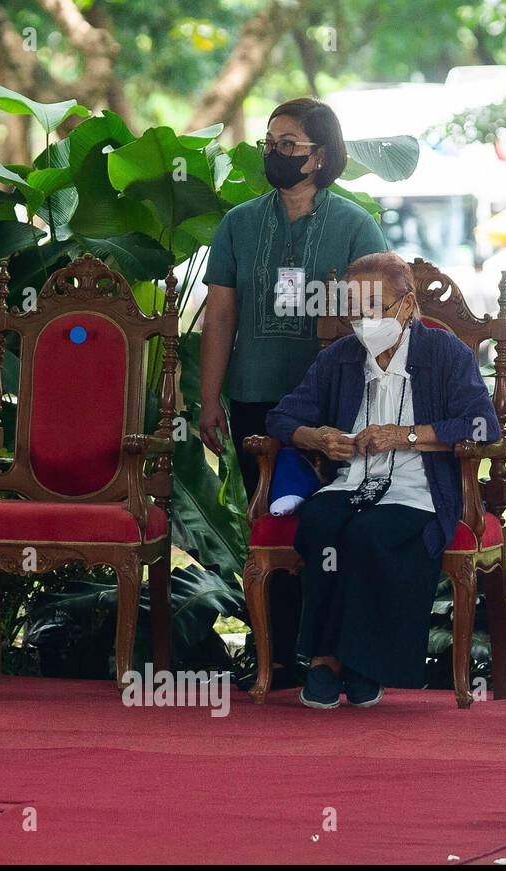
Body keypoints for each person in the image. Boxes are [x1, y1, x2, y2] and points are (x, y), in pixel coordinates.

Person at [200, 97, 387, 680]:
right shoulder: (238, 223)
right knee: (268, 519)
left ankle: (331, 654)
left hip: (337, 406)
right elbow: (221, 316)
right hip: (256, 394)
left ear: (320, 156)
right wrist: (209, 398)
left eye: (288, 145)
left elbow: (381, 321)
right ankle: (274, 656)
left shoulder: (356, 225)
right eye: (270, 143)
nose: (274, 154)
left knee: (330, 521)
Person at [266, 252, 499, 708]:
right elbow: (282, 417)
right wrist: (319, 436)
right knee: (321, 524)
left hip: (418, 488)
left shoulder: (444, 353)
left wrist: (406, 435)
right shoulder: (341, 357)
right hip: (351, 482)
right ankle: (327, 660)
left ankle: (357, 663)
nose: (362, 320)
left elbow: (482, 425)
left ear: (407, 306)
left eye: (374, 308)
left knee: (374, 535)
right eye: (353, 309)